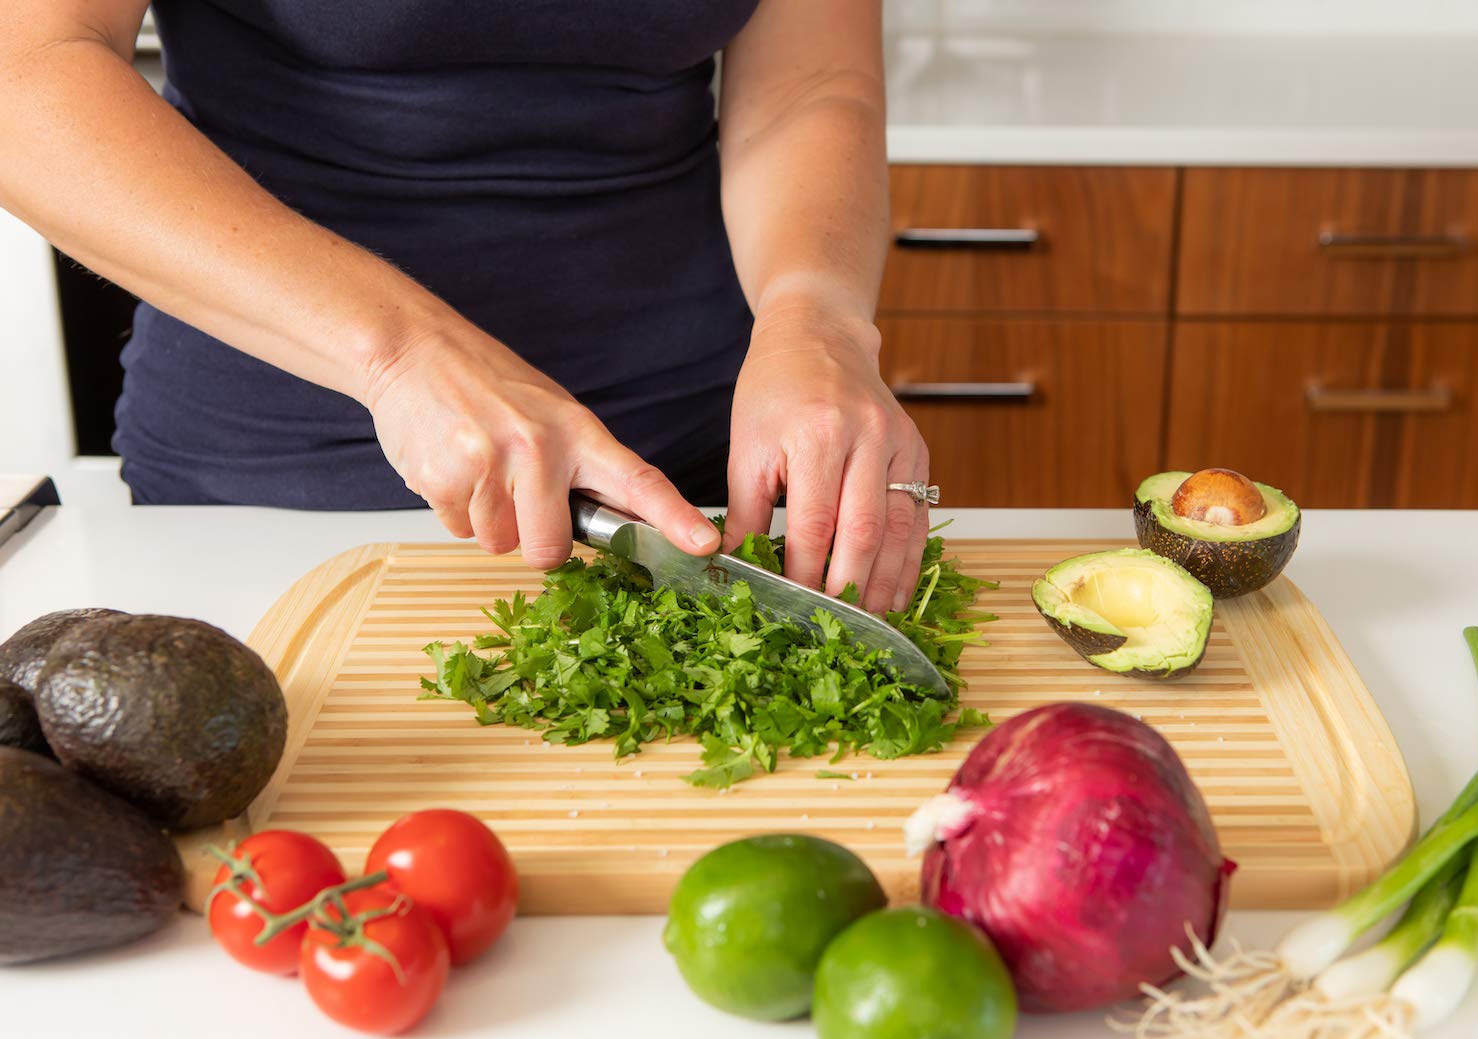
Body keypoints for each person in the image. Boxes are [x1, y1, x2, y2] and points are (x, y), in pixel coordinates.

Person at [0, 0, 933, 613]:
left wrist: (816, 316)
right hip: (281, 482)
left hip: (689, 478)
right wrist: (402, 353)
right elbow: (25, 69)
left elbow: (813, 87)